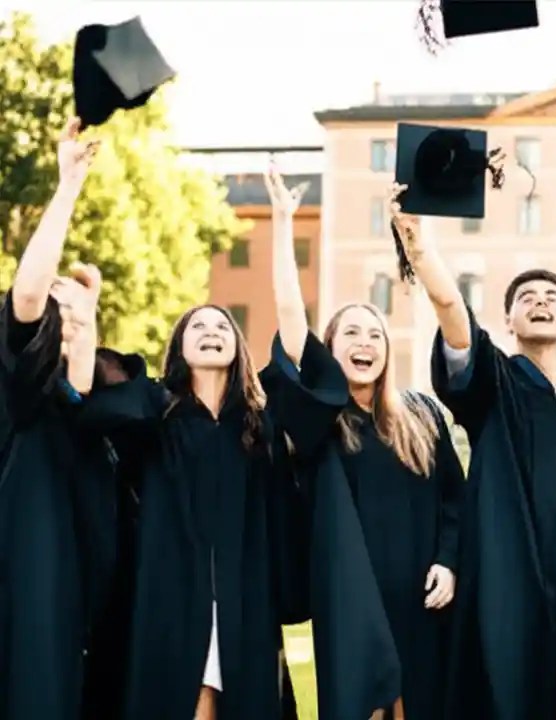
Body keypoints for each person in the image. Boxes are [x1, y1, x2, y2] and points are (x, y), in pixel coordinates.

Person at [75, 218, 348, 717]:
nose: (210, 332)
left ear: (238, 347)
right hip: (170, 596)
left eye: (222, 326)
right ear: (179, 347)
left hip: (246, 597)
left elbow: (295, 338)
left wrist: (282, 223)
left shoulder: (260, 425)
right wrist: (87, 312)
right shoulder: (155, 413)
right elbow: (88, 405)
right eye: (197, 327)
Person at [264, 167, 464, 720]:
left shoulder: (422, 415)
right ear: (328, 350)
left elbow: (455, 500)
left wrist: (449, 562)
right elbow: (290, 321)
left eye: (375, 334)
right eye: (350, 332)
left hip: (421, 597)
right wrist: (282, 223)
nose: (365, 342)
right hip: (348, 600)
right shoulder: (321, 420)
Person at [400, 186, 556, 720]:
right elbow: (452, 311)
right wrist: (421, 250)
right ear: (507, 322)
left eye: (551, 297)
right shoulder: (496, 385)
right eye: (526, 298)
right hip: (507, 581)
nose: (540, 302)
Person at [0, 118, 133, 720]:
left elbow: (84, 390)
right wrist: (68, 186)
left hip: (74, 597)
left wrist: (89, 319)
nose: (69, 313)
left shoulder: (101, 402)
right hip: (22, 573)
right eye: (62, 309)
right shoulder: (23, 384)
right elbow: (28, 296)